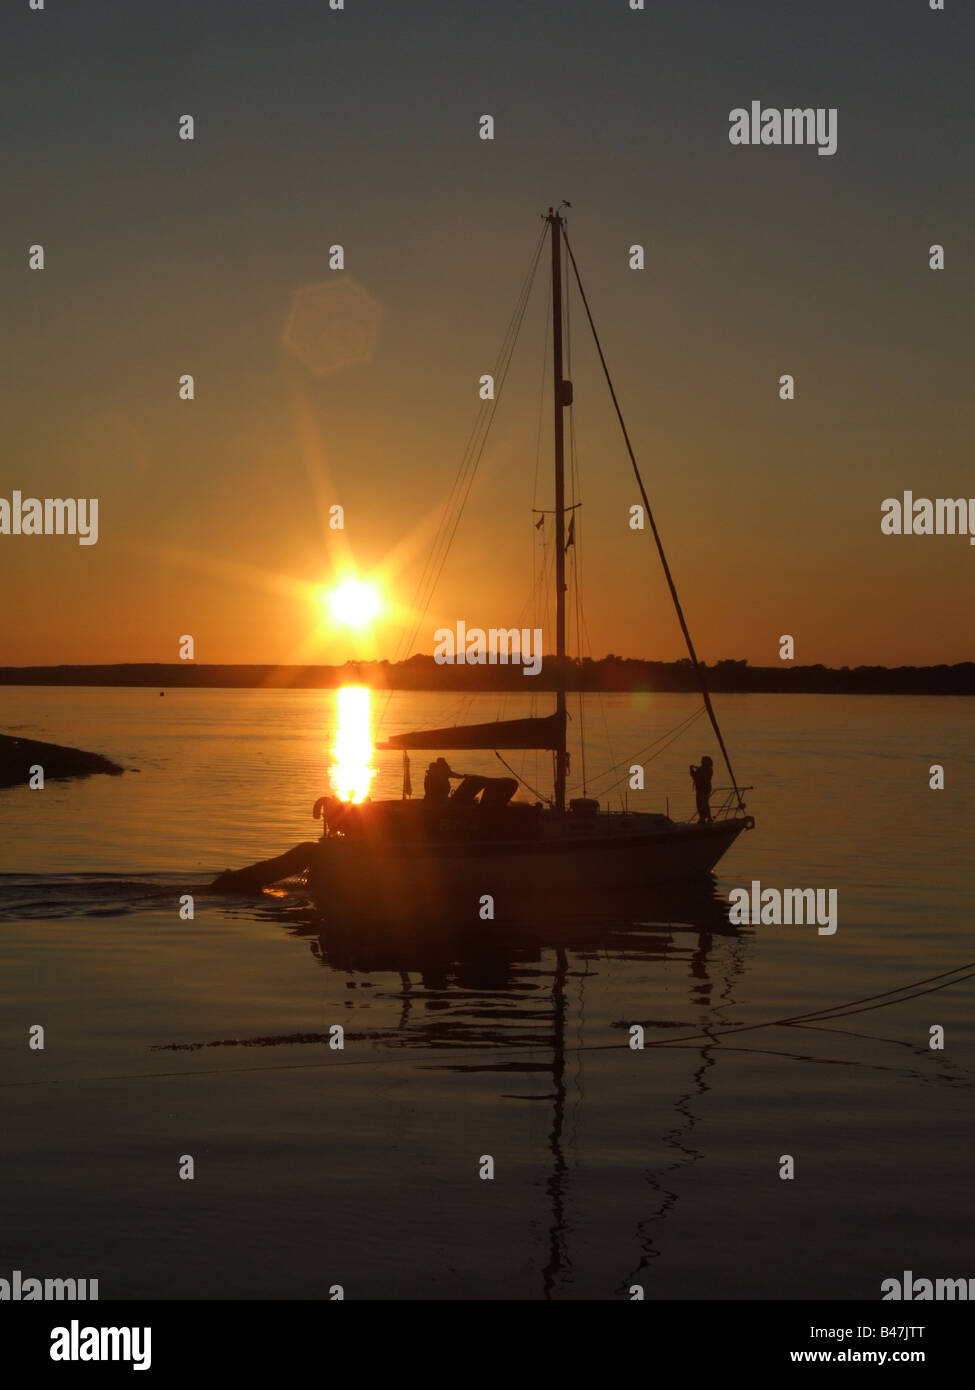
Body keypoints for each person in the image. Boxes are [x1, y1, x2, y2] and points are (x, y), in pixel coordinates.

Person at [689, 754, 713, 823]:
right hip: (703, 788)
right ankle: (705, 817)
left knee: (702, 803)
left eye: (703, 761)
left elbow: (696, 777)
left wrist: (691, 771)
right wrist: (695, 769)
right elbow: (699, 771)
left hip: (703, 789)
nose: (701, 762)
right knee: (702, 803)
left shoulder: (706, 770)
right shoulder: (707, 769)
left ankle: (704, 818)